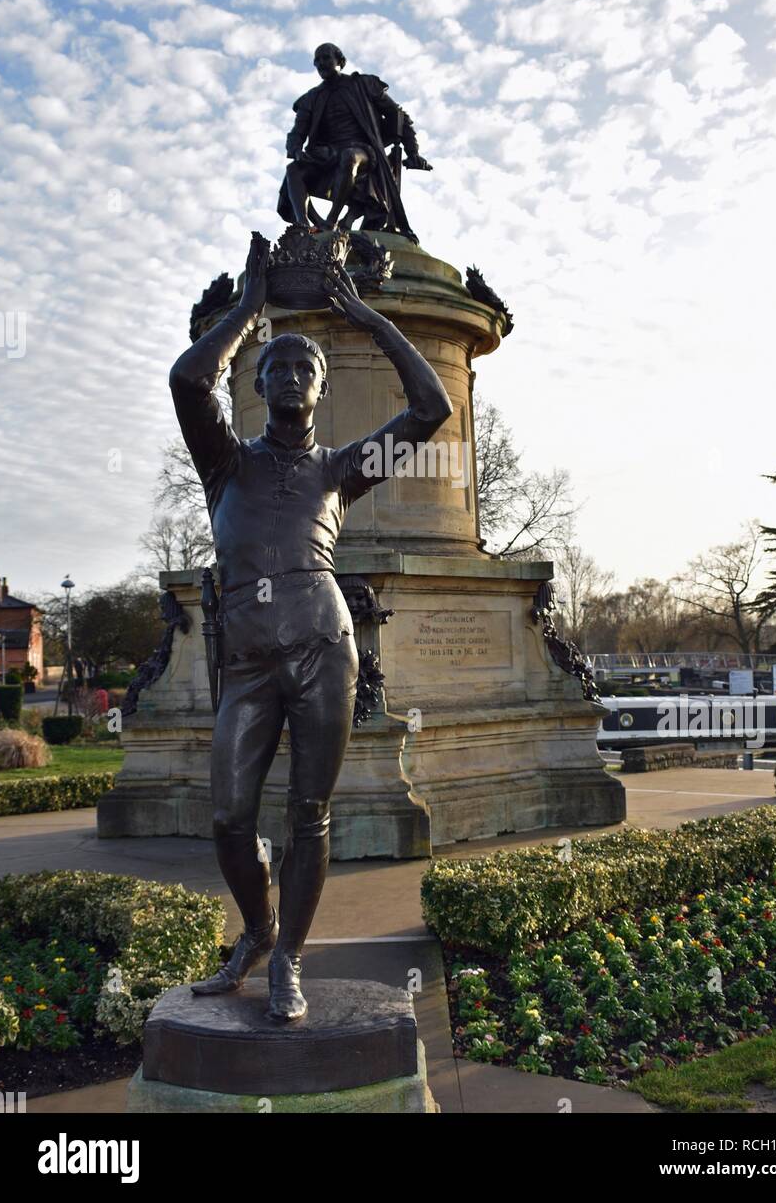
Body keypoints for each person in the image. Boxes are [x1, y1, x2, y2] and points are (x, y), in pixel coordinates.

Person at [169, 232, 452, 1018]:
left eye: (306, 368)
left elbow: (433, 409)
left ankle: (289, 956)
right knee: (230, 815)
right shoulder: (226, 463)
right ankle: (256, 932)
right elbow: (189, 378)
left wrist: (366, 317)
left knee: (309, 813)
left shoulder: (339, 468)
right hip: (251, 658)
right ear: (257, 384)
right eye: (278, 366)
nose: (292, 374)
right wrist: (248, 308)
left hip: (326, 645)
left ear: (320, 389)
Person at [277, 42, 432, 241]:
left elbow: (399, 116)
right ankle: (303, 226)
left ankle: (331, 220)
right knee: (293, 170)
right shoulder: (311, 98)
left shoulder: (363, 84)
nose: (321, 63)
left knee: (349, 156)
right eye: (317, 60)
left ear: (340, 61)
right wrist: (296, 150)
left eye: (326, 58)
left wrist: (413, 152)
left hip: (363, 150)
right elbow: (297, 133)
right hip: (327, 152)